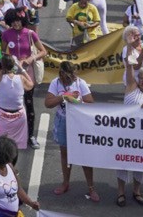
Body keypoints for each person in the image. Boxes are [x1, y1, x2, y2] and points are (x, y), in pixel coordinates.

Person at [44, 60, 96, 202]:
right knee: (65, 154)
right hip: (63, 122)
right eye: (67, 78)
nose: (70, 80)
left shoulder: (80, 83)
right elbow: (47, 103)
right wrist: (62, 96)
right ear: (61, 74)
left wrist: (77, 102)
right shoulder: (55, 83)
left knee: (84, 155)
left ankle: (91, 188)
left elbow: (90, 103)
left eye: (72, 77)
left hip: (79, 123)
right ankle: (65, 183)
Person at [0, 136, 40, 215]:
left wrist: (31, 203)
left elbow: (18, 189)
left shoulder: (9, 166)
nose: (12, 158)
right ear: (2, 157)